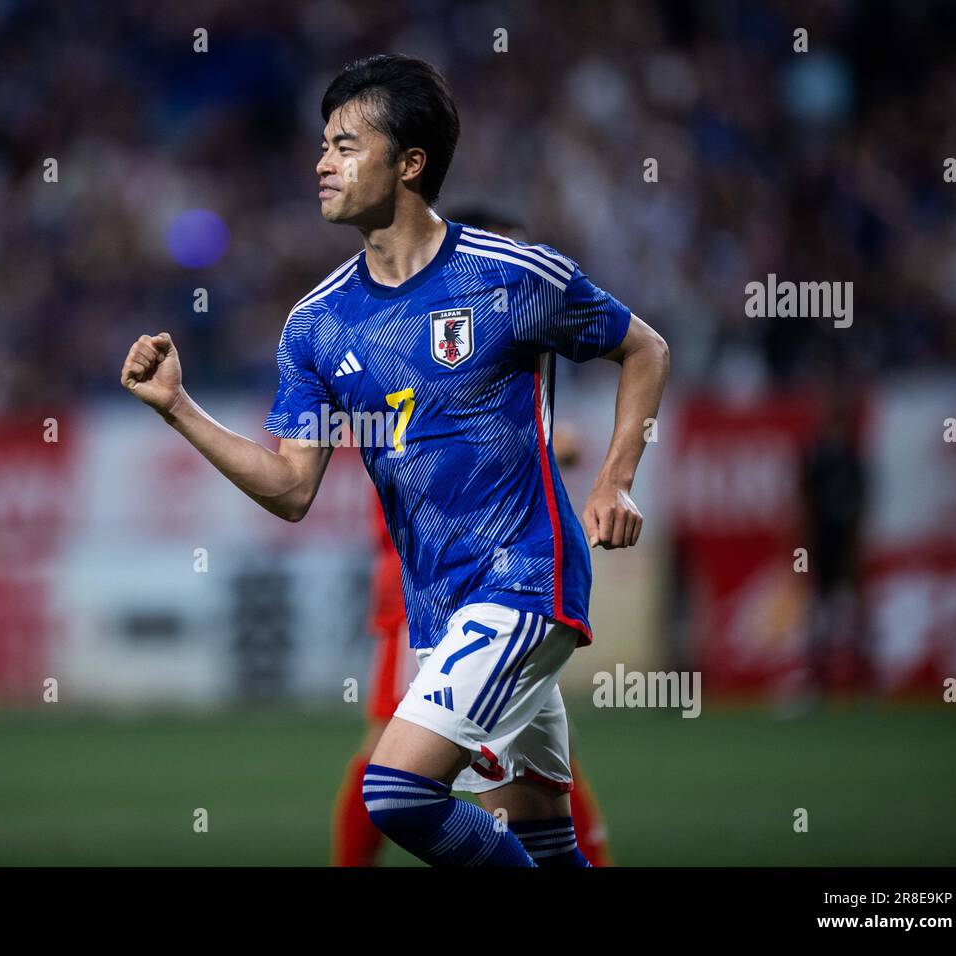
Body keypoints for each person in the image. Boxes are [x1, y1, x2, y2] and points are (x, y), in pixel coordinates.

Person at [121, 54, 668, 867]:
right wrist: (178, 407)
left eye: (345, 145)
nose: (321, 162)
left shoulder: (508, 277)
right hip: (440, 616)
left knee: (398, 792)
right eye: (322, 144)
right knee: (545, 836)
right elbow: (289, 487)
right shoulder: (315, 325)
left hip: (525, 581)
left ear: (410, 163)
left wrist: (615, 477)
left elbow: (644, 347)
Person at [331, 209, 614, 867]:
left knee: (512, 772)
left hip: (498, 585)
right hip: (430, 591)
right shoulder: (422, 342)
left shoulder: (476, 349)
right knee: (410, 763)